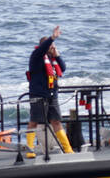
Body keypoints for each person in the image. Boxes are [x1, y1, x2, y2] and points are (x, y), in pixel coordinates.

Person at [25, 25, 74, 155]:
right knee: (34, 121)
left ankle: (67, 148)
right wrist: (52, 38)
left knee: (56, 121)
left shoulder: (52, 60)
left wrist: (57, 55)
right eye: (51, 46)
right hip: (38, 94)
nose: (52, 48)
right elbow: (42, 49)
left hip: (52, 94)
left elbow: (62, 68)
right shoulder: (36, 56)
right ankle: (30, 149)